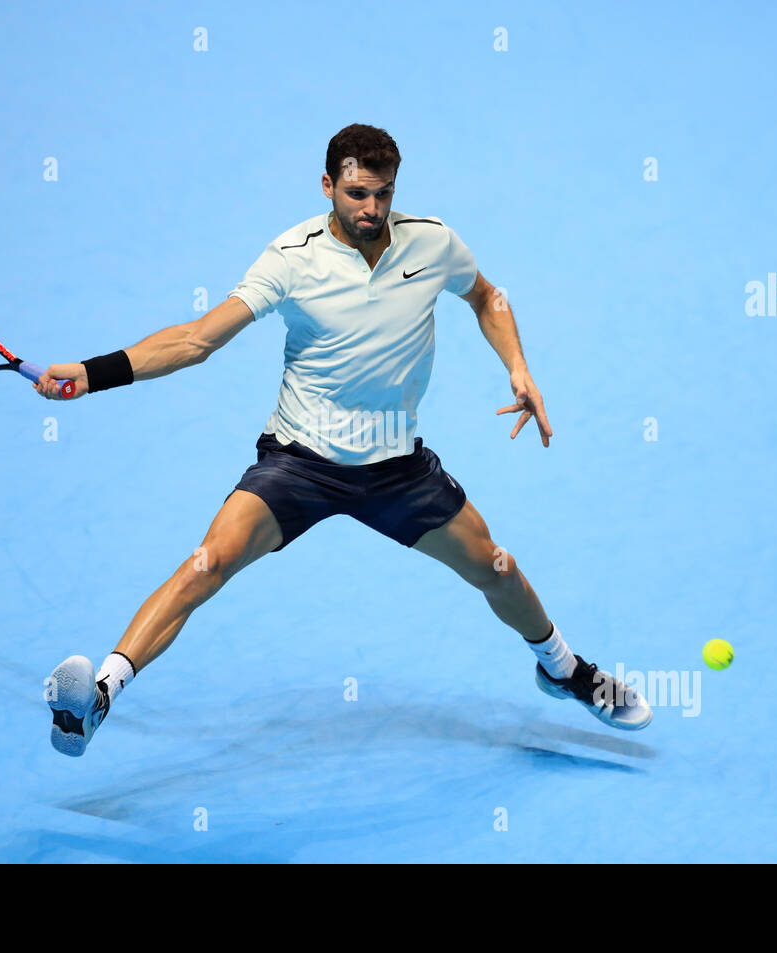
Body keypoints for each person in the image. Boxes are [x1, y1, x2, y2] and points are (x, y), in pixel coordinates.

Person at [34, 124, 651, 756]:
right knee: (208, 563)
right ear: (328, 185)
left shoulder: (431, 243)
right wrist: (92, 373)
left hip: (396, 469)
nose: (371, 210)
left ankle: (563, 668)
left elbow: (487, 296)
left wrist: (517, 367)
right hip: (301, 462)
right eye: (357, 193)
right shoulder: (291, 258)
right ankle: (100, 696)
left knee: (498, 567)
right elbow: (197, 339)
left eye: (383, 194)